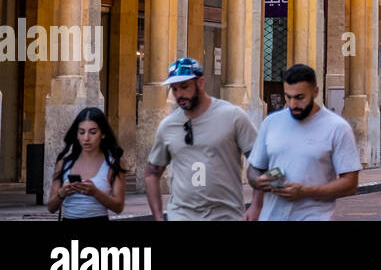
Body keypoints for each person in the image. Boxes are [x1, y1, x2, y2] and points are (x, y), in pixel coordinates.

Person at [146, 57, 259, 221]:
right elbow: (151, 173)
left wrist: (256, 205)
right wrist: (158, 216)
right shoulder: (168, 125)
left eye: (184, 87)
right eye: (174, 89)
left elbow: (259, 162)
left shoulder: (232, 116)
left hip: (226, 216)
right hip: (181, 216)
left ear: (200, 83)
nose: (179, 94)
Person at [246, 64, 361, 221]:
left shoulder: (337, 127)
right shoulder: (271, 122)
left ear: (315, 92)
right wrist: (258, 184)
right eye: (288, 96)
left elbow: (350, 183)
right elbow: (255, 168)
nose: (293, 104)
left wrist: (306, 191)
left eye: (300, 97)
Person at [48, 107, 127, 221]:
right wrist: (62, 193)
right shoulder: (63, 164)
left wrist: (95, 192)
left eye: (93, 132)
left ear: (103, 134)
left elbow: (119, 207)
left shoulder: (113, 165)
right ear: (76, 135)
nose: (86, 138)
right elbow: (51, 208)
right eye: (81, 132)